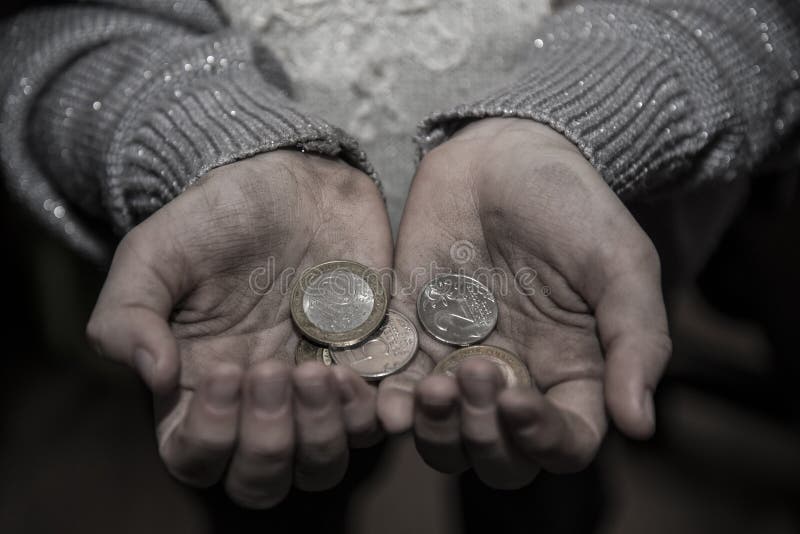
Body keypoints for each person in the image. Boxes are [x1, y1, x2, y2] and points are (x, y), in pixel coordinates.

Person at [1, 0, 797, 515]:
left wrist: (574, 121)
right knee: (275, 477)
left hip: (549, 299)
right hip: (247, 314)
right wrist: (192, 132)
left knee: (541, 471)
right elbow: (52, 29)